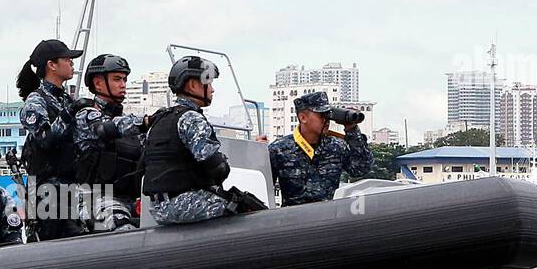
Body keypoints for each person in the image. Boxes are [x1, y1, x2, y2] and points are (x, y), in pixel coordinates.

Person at [143, 56, 264, 225]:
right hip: (184, 204)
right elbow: (218, 170)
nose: (212, 89)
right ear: (193, 85)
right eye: (209, 83)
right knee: (246, 208)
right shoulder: (192, 119)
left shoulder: (160, 119)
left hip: (158, 207)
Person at [16, 38, 86, 240]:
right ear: (51, 65)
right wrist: (70, 112)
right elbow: (45, 139)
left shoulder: (64, 99)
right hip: (47, 193)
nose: (72, 63)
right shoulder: (36, 101)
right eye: (67, 59)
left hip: (73, 188)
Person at [72, 53, 144, 231]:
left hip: (131, 199)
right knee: (122, 229)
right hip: (94, 199)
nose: (123, 85)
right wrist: (147, 121)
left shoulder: (128, 125)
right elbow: (104, 130)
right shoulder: (86, 115)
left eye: (125, 80)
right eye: (117, 79)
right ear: (98, 83)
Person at [268, 90, 372, 206]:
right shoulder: (279, 150)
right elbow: (263, 189)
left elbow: (360, 169)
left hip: (328, 218)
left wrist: (352, 129)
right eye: (321, 115)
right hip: (293, 219)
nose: (326, 120)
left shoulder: (336, 146)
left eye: (328, 115)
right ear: (303, 118)